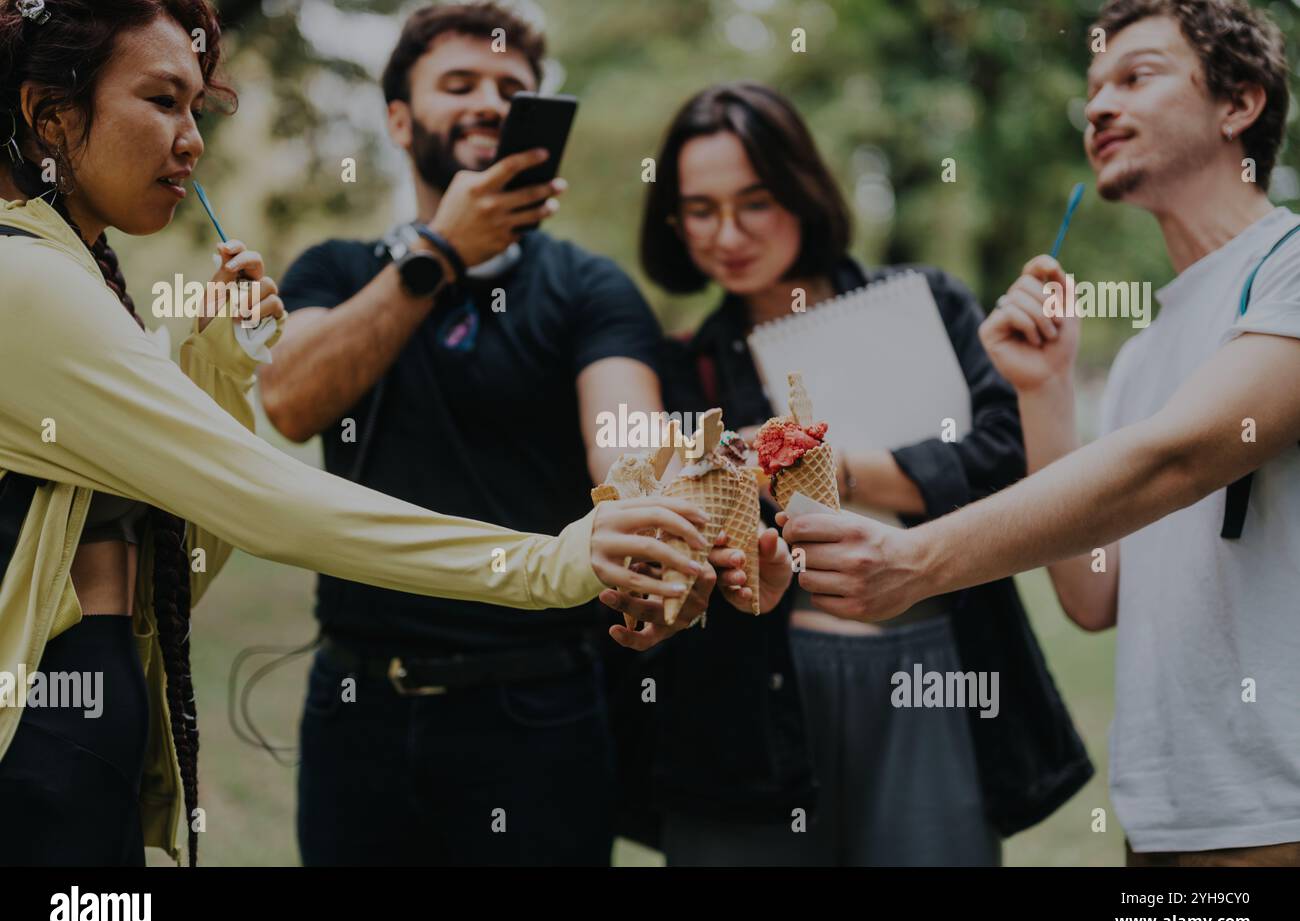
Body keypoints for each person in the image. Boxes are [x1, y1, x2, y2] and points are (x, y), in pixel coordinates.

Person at [0, 0, 708, 867]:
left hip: (530, 713)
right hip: (95, 730)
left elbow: (182, 555)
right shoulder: (31, 278)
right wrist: (549, 562)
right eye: (161, 101)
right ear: (50, 112)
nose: (193, 141)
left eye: (196, 109)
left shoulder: (588, 286)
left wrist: (217, 369)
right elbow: (269, 488)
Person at [784, 0, 1300, 865]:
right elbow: (1092, 598)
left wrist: (915, 561)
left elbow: (1173, 461)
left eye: (1137, 77)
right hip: (1165, 822)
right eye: (1093, 87)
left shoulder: (1287, 271)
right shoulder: (1140, 358)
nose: (1097, 105)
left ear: (1238, 104)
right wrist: (1045, 392)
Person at [260, 2, 718, 866]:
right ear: (397, 120)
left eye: (513, 88)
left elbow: (627, 444)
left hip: (538, 709)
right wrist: (441, 251)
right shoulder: (333, 269)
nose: (488, 103)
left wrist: (656, 528)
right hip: (358, 701)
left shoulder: (590, 289)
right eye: (459, 83)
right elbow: (291, 400)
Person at [616, 82, 1092, 865]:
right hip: (750, 704)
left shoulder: (924, 302)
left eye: (755, 201)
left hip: (934, 660)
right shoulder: (682, 368)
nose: (727, 234)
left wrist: (822, 471)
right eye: (700, 210)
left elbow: (1012, 464)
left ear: (803, 191)